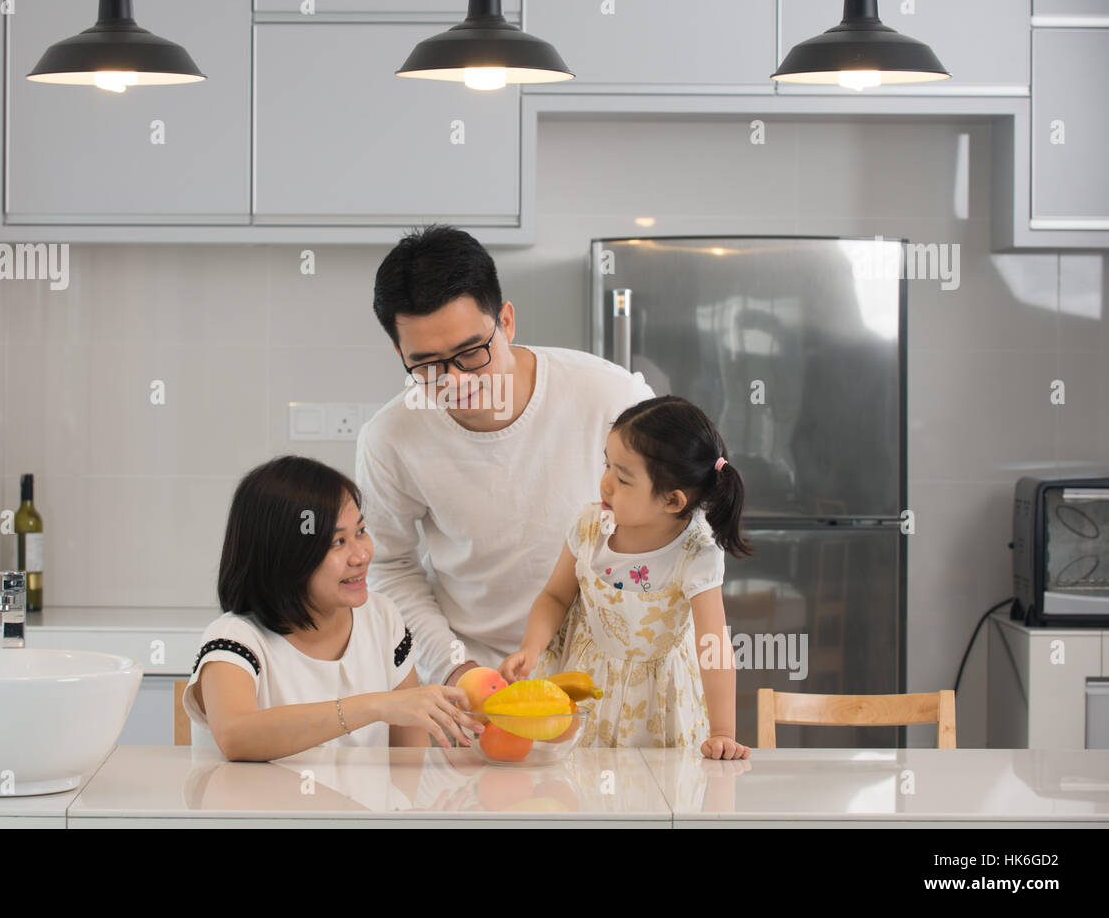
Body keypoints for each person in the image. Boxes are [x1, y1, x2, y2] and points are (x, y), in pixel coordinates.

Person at [356, 224, 654, 692]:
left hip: (612, 679)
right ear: (399, 351)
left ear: (507, 322)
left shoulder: (610, 396)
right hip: (479, 685)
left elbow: (674, 522)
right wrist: (456, 668)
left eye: (471, 352)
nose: (454, 381)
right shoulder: (391, 438)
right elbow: (390, 567)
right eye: (427, 365)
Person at [182, 456, 484, 761]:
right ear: (285, 555)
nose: (362, 555)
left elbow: (408, 760)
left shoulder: (382, 618)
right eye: (338, 542)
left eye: (361, 532)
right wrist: (374, 706)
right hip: (269, 810)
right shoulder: (235, 639)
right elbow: (236, 736)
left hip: (364, 811)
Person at [499, 396, 753, 758]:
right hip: (586, 686)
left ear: (672, 501)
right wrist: (531, 646)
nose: (605, 484)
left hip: (658, 703)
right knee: (577, 792)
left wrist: (723, 731)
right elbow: (556, 597)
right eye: (606, 465)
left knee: (652, 797)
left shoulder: (696, 551)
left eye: (622, 478)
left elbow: (713, 647)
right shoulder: (590, 527)